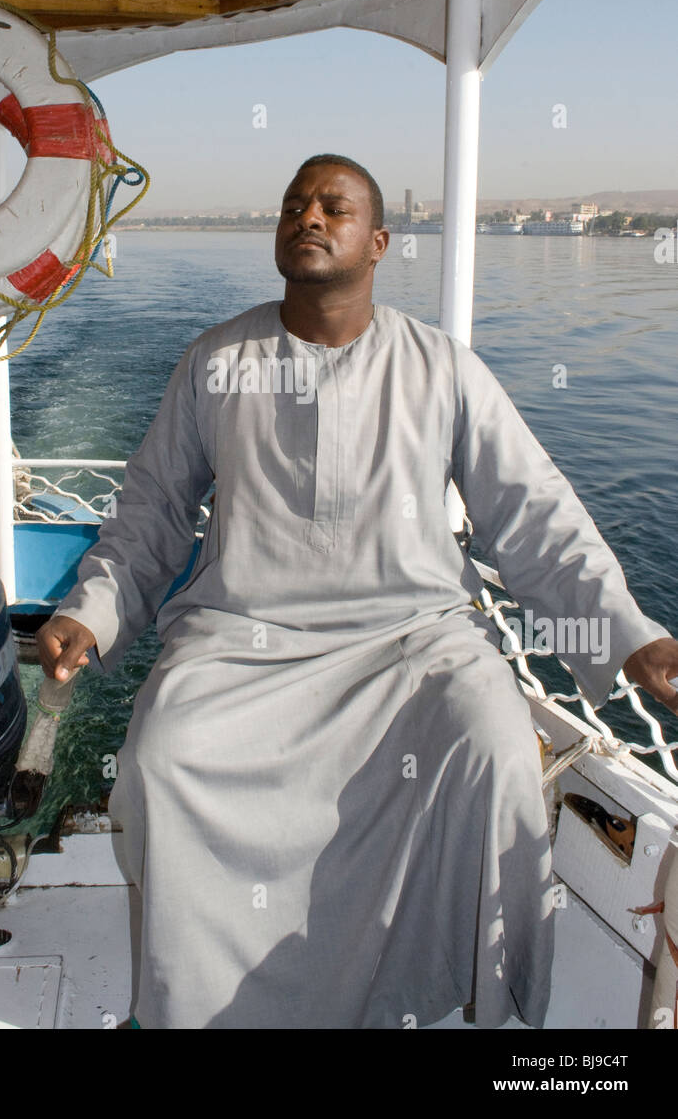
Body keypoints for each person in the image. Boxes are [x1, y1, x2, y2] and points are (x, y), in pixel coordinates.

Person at [37, 154, 678, 1031]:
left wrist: (625, 632)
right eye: (295, 203)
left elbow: (535, 517)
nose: (308, 216)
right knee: (160, 756)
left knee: (495, 750)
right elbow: (151, 508)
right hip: (244, 640)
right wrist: (94, 609)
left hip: (414, 644)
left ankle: (456, 1001)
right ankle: (202, 1010)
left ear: (377, 242)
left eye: (333, 207)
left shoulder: (440, 368)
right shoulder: (217, 361)